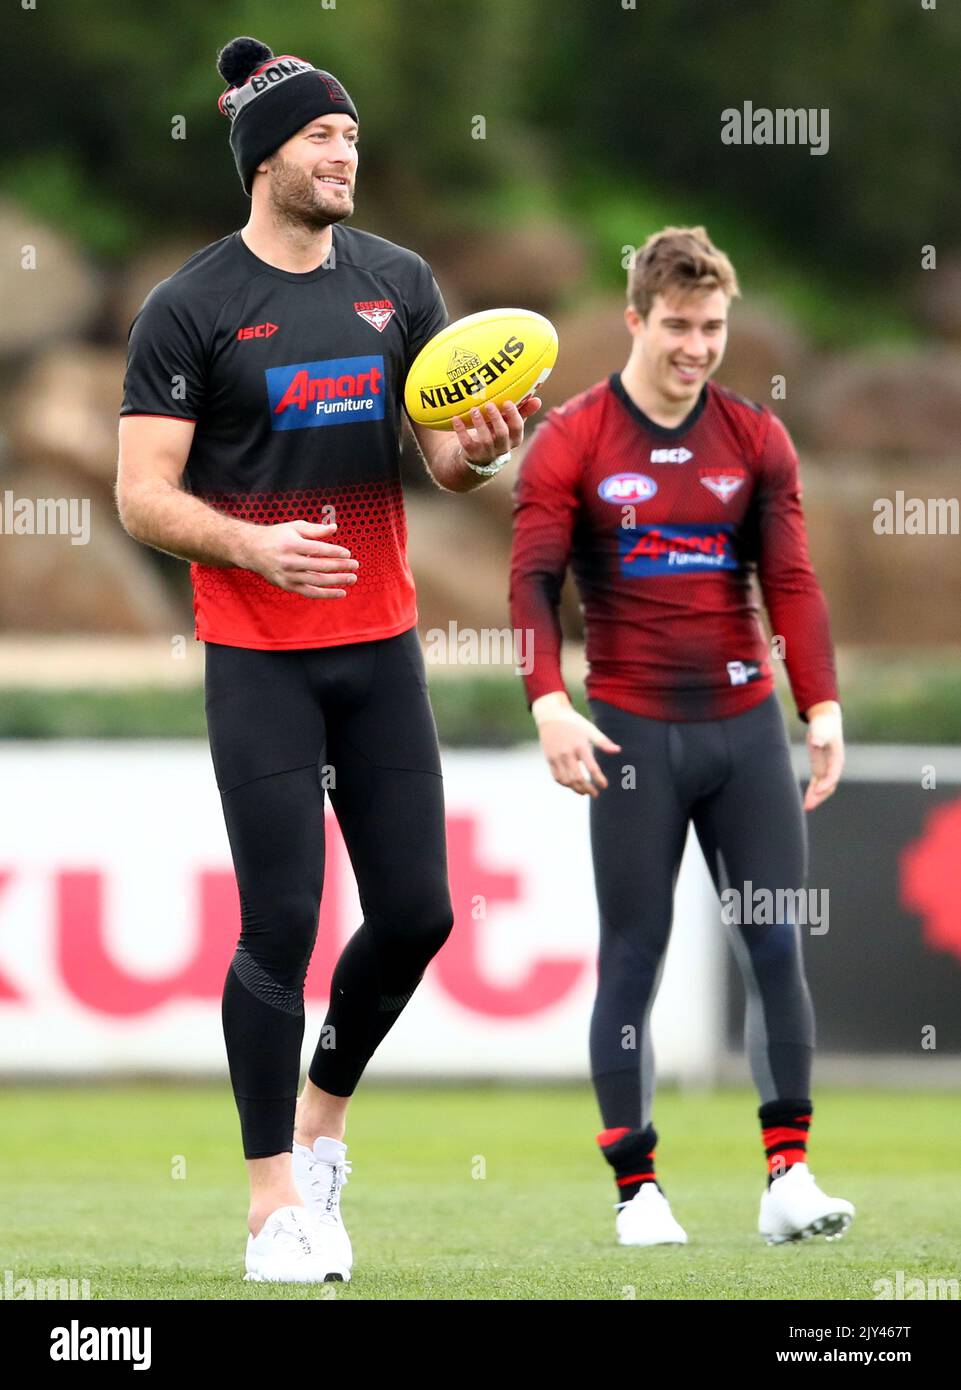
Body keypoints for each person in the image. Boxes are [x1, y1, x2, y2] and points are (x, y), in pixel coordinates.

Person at [116, 35, 539, 1284]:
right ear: (265, 157)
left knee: (418, 913)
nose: (345, 152)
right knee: (282, 923)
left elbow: (442, 462)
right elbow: (142, 494)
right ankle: (270, 1211)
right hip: (259, 656)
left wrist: (482, 450)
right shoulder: (189, 306)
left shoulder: (398, 282)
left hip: (380, 649)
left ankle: (320, 1126)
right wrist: (252, 545)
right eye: (320, 136)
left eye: (352, 134)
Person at [509, 225, 854, 1247]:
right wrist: (547, 701)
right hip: (630, 736)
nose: (695, 347)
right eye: (676, 326)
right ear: (634, 319)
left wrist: (820, 704)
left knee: (775, 942)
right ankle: (638, 1192)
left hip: (744, 729)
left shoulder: (754, 438)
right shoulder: (571, 438)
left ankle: (788, 1176)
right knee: (633, 953)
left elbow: (790, 580)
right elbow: (530, 583)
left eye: (711, 327)